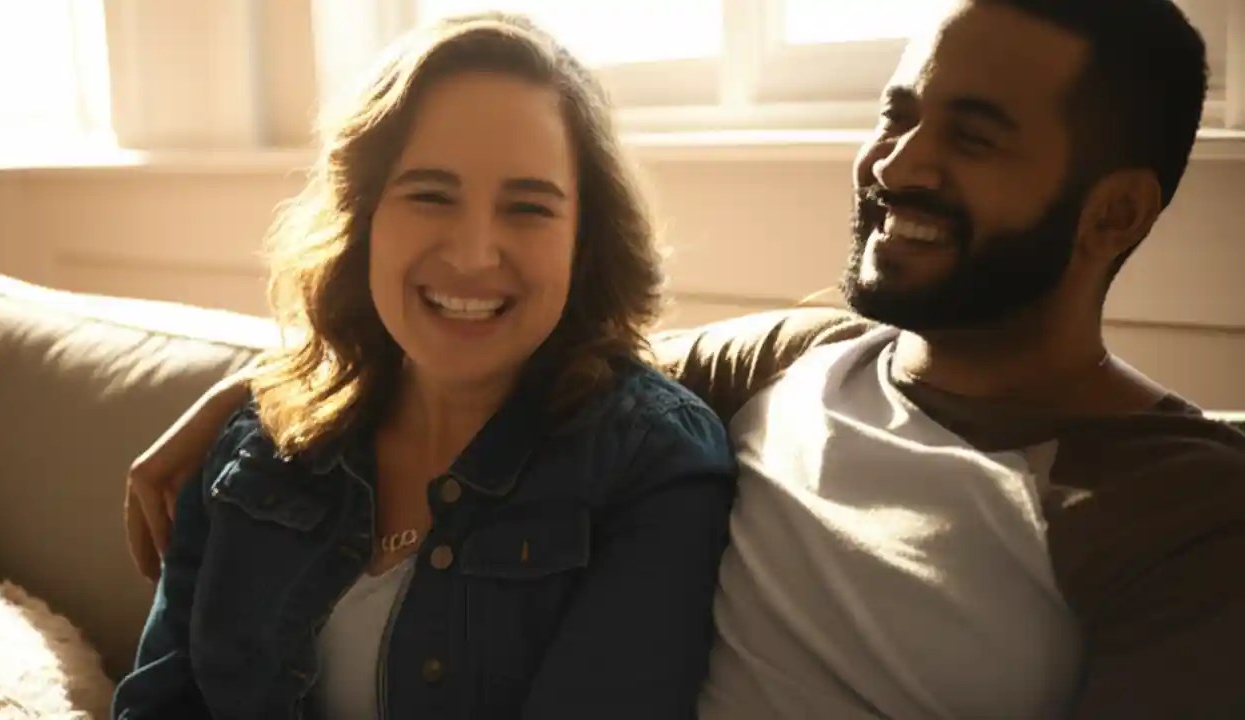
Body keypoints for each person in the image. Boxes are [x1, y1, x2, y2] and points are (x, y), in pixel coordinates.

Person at [125, 0, 1245, 717]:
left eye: (974, 135)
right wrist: (256, 392)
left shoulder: (1178, 505)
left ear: (1111, 216)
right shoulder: (789, 361)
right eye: (897, 113)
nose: (896, 164)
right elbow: (483, 341)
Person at [112, 13, 738, 720]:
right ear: (365, 215)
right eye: (430, 195)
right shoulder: (254, 442)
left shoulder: (650, 466)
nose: (473, 254)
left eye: (528, 208)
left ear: (583, 244)